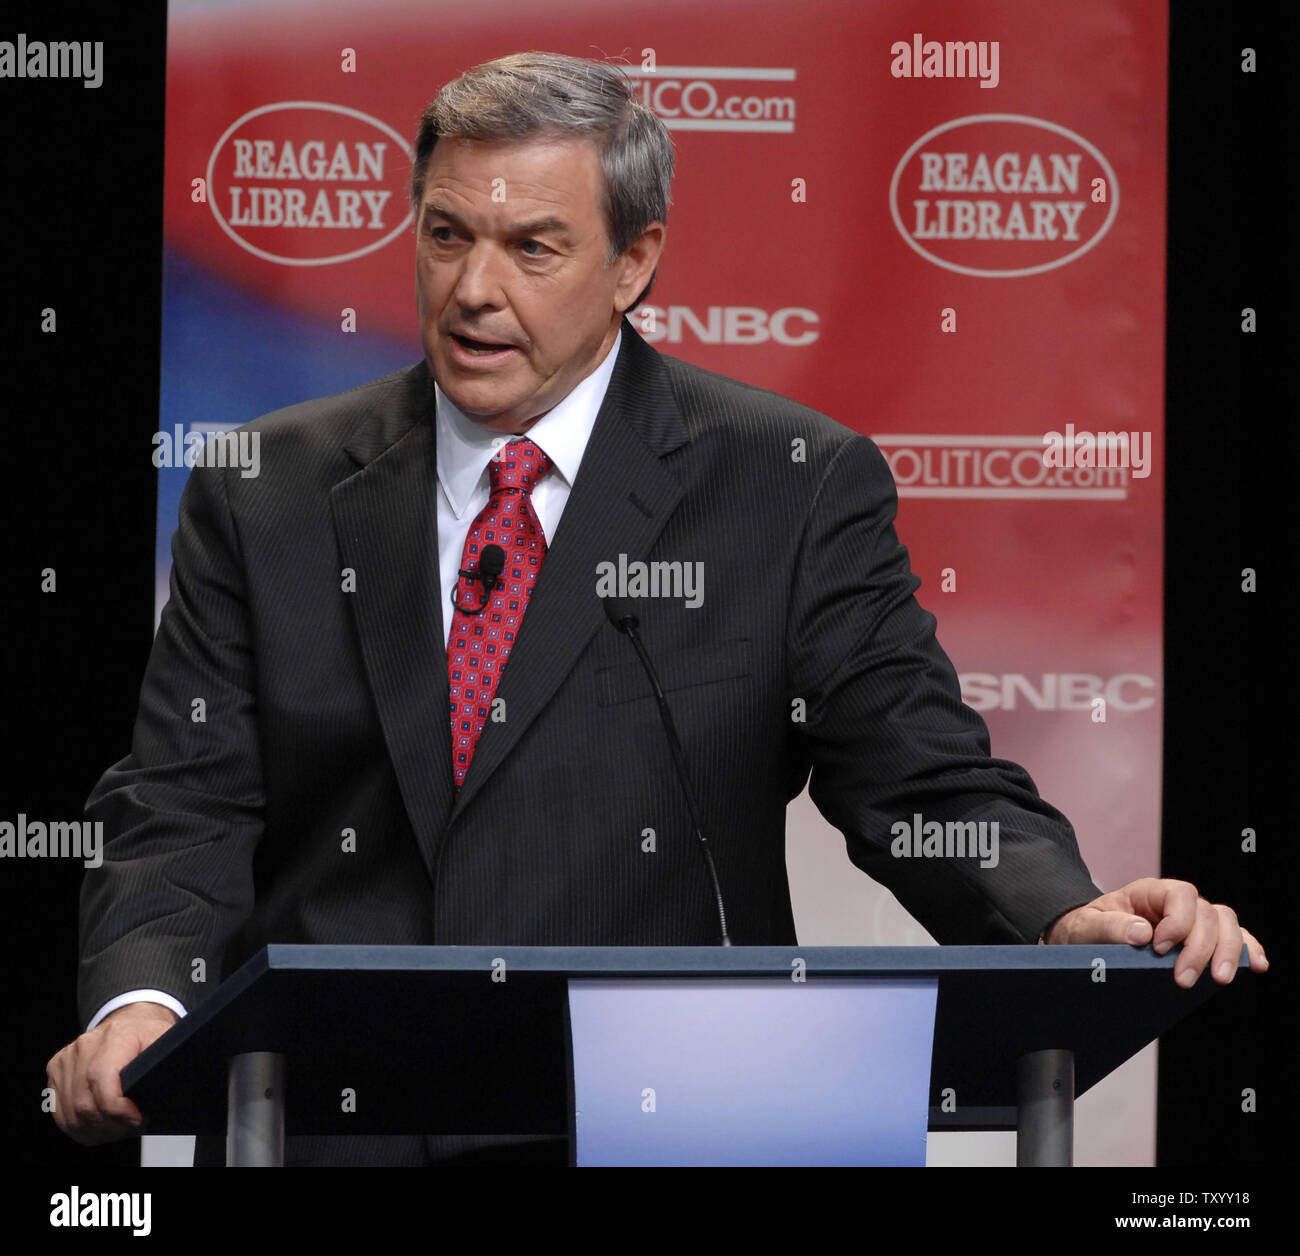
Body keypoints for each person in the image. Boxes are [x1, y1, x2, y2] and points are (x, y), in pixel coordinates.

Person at [48, 51, 1266, 1165]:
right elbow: (183, 793)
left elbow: (917, 777)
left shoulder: (783, 485)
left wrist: (1058, 906)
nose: (473, 288)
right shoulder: (271, 486)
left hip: (668, 1117)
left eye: (532, 248)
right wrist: (142, 994)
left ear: (634, 262)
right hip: (329, 1119)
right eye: (446, 234)